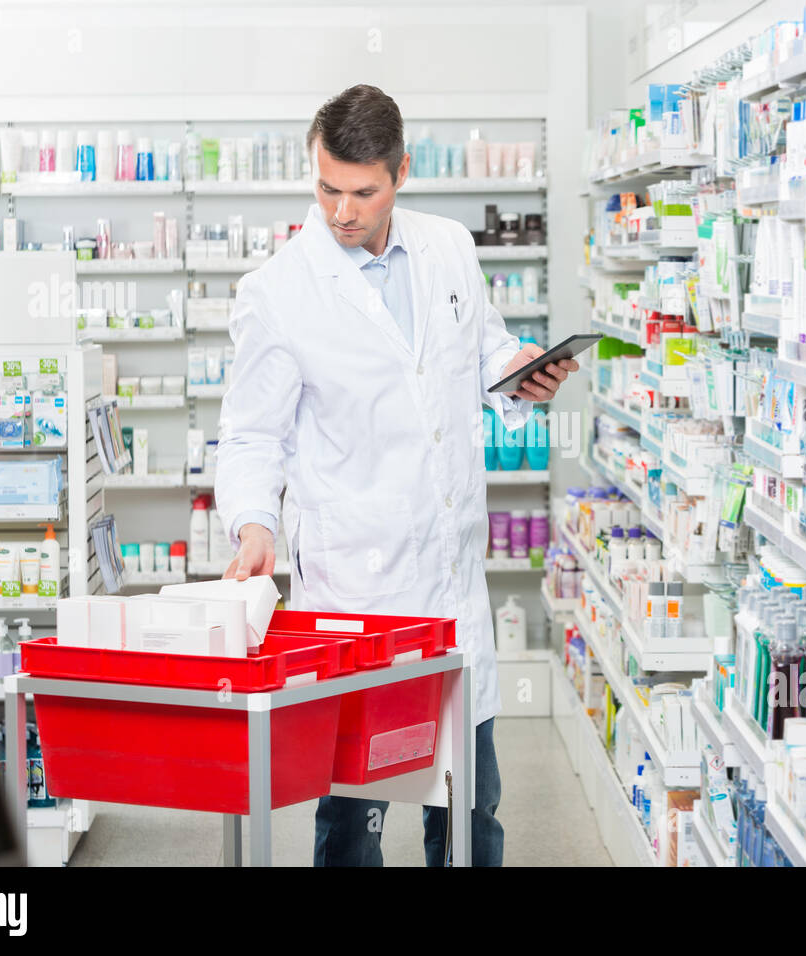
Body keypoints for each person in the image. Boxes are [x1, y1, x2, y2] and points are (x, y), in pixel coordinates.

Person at [215, 84, 577, 867]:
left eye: (363, 191)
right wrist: (253, 525)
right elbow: (250, 435)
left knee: (470, 817)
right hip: (358, 595)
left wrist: (519, 373)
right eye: (327, 188)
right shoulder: (277, 292)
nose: (342, 210)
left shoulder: (449, 248)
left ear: (402, 171)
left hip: (451, 585)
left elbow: (484, 351)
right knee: (353, 822)